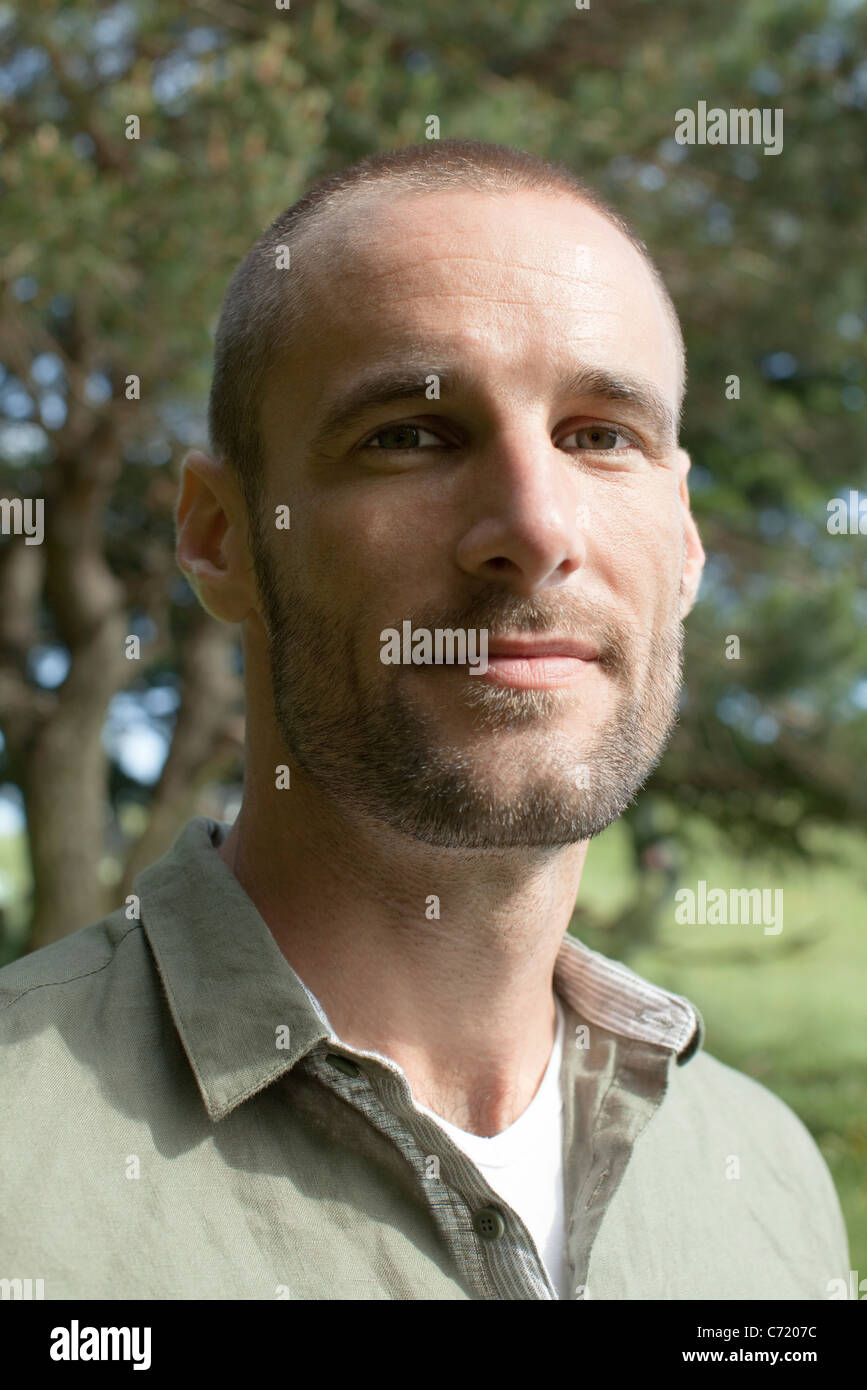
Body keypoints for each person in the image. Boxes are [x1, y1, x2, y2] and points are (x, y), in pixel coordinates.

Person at [0, 140, 849, 1300]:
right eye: (408, 433)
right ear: (218, 536)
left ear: (688, 539)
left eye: (603, 435)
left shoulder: (764, 1183)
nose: (536, 525)